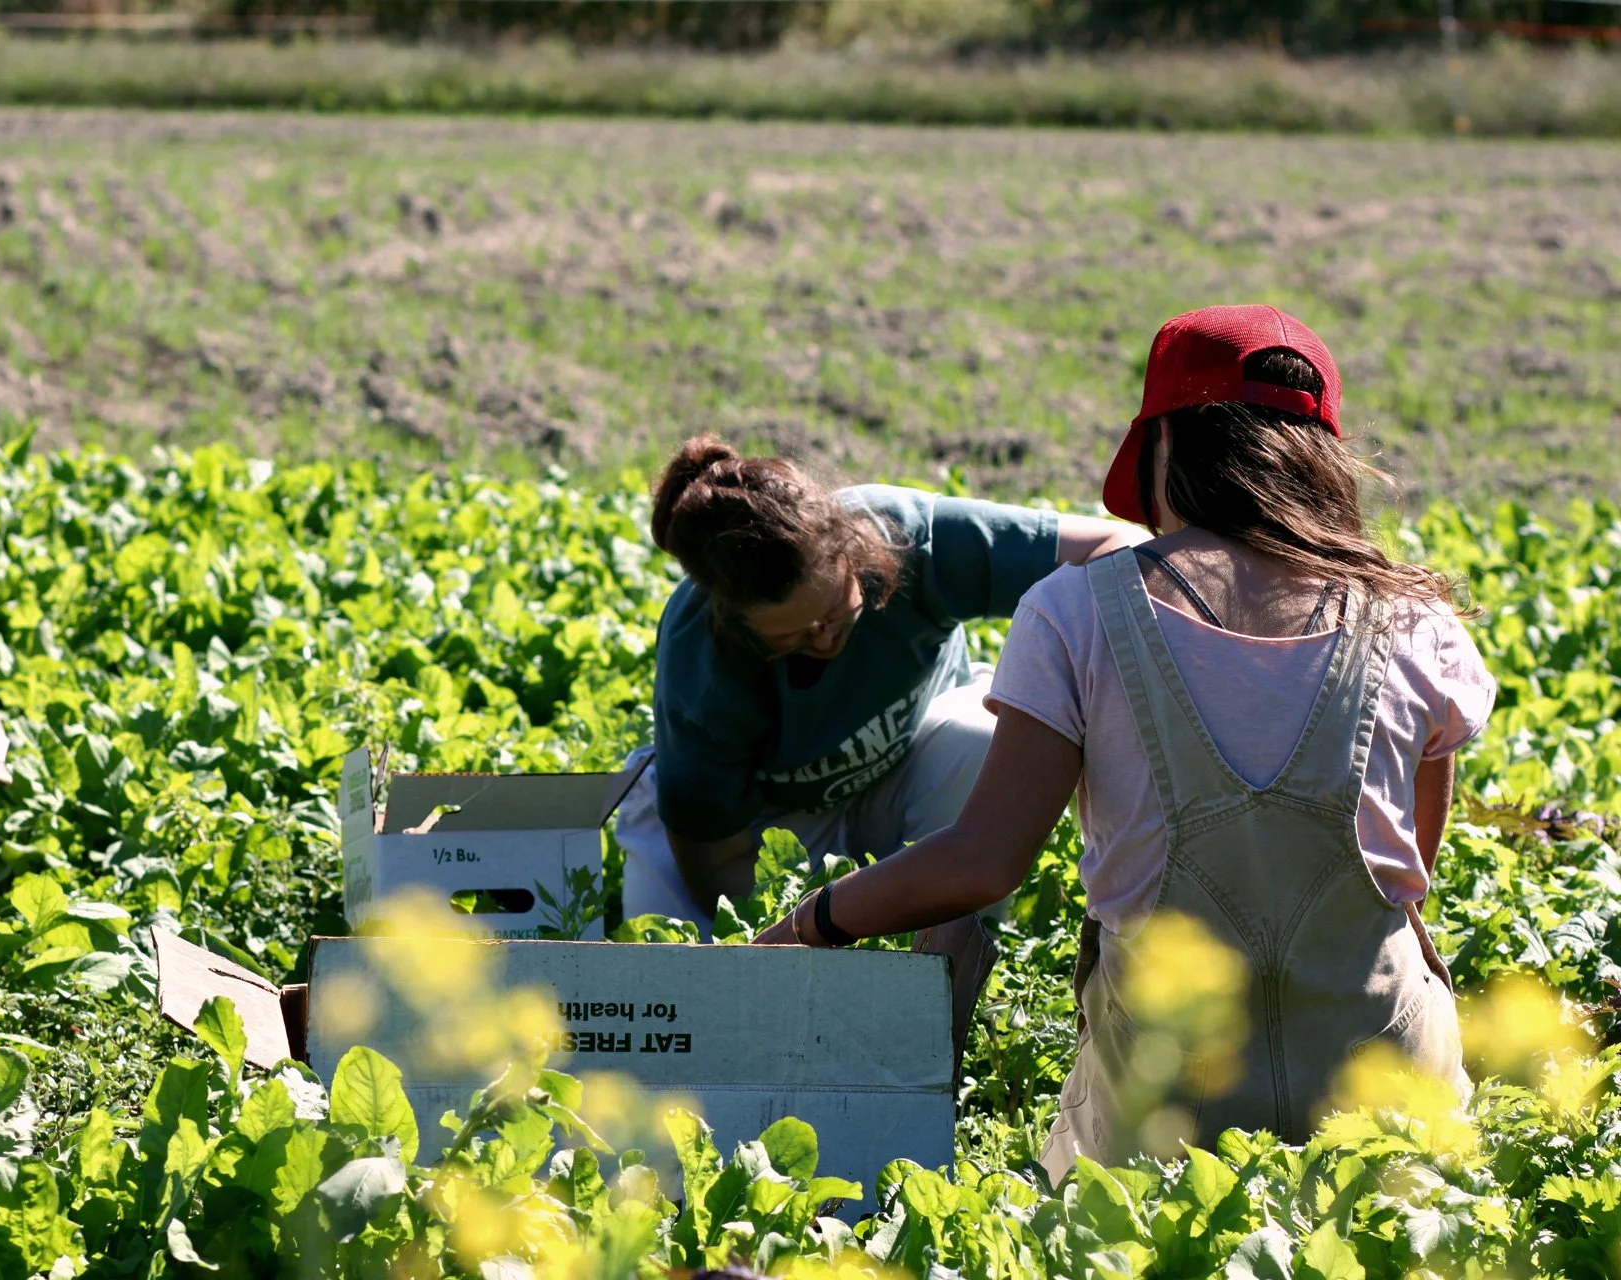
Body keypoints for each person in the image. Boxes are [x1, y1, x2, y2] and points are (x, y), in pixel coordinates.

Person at [755, 305, 1496, 1181]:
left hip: (1165, 1118)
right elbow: (1406, 877)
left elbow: (981, 864)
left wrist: (809, 925)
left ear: (1163, 448)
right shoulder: (1413, 619)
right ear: (1323, 460)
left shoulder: (1078, 612)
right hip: (1385, 1102)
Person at [616, 436, 1144, 934]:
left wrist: (1051, 679)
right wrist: (794, 936)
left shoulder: (907, 535)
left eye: (834, 615)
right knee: (688, 963)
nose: (823, 642)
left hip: (913, 772)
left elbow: (1117, 549)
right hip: (775, 826)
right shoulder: (700, 661)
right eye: (794, 637)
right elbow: (716, 861)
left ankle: (950, 950)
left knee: (981, 736)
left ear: (851, 551)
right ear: (735, 623)